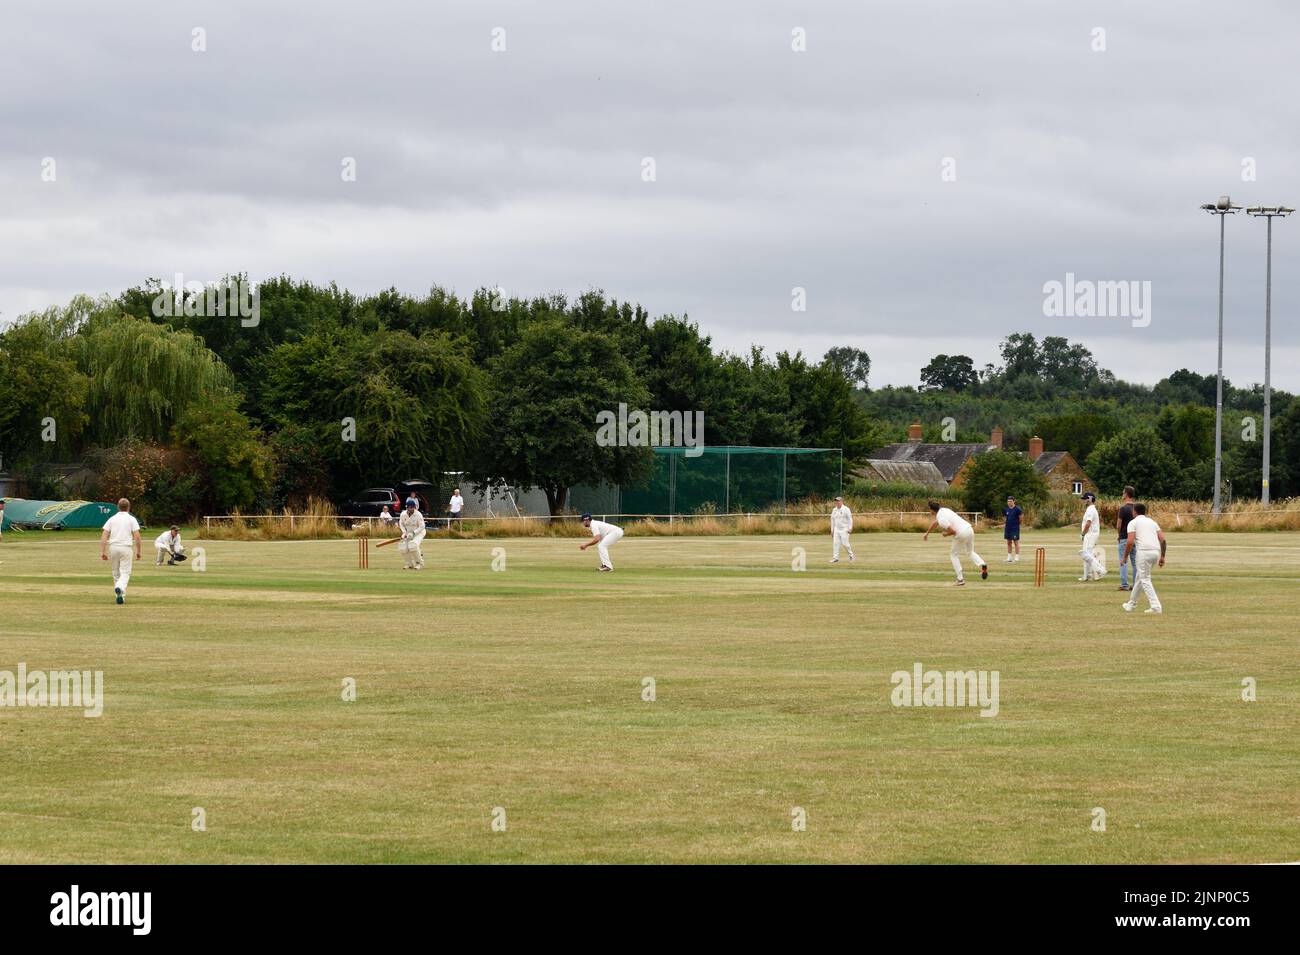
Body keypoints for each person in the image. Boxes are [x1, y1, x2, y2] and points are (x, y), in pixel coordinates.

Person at [923, 501, 987, 587]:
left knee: (953, 555)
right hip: (969, 529)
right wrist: (927, 533)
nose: (929, 511)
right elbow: (935, 523)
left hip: (961, 533)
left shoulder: (941, 519)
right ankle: (982, 564)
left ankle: (960, 579)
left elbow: (953, 531)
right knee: (970, 552)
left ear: (932, 510)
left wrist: (946, 534)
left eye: (929, 510)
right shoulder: (945, 510)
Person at [1120, 503, 1166, 614]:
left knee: (1145, 579)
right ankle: (1131, 604)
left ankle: (1156, 607)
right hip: (1155, 552)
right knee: (1140, 578)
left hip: (1143, 553)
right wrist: (1162, 556)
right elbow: (1163, 540)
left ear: (1134, 511)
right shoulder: (1152, 522)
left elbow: (1130, 541)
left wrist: (1125, 557)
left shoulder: (1133, 522)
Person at [99, 497, 142, 604]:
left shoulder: (112, 518)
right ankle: (119, 587)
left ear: (118, 507)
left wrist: (103, 551)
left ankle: (121, 597)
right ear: (129, 507)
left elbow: (104, 535)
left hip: (113, 548)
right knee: (125, 573)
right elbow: (137, 536)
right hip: (126, 548)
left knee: (116, 573)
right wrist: (139, 551)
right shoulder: (131, 519)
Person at [1115, 485, 1137, 592]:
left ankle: (1124, 584)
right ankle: (1136, 584)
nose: (1122, 494)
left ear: (1126, 494)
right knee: (1135, 562)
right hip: (1135, 539)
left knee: (1123, 561)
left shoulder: (1123, 508)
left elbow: (1118, 525)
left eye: (1123, 493)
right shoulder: (1137, 508)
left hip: (1124, 537)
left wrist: (1119, 535)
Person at [1078, 492, 1101, 581]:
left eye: (1085, 499)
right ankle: (1088, 575)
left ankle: (1099, 571)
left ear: (1090, 499)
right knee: (1088, 555)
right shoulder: (1090, 509)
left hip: (1090, 534)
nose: (1083, 500)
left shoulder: (1091, 509)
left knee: (1086, 555)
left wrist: (1083, 534)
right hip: (1091, 534)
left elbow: (1088, 523)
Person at [398, 497, 426, 570]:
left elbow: (422, 526)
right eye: (410, 508)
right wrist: (404, 532)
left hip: (419, 532)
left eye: (413, 508)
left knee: (413, 545)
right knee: (403, 546)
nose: (412, 509)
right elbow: (401, 524)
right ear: (407, 508)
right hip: (408, 533)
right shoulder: (403, 514)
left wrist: (413, 533)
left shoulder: (418, 514)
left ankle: (419, 563)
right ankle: (409, 564)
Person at [829, 495, 855, 563]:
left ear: (842, 501)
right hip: (837, 529)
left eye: (838, 501)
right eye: (836, 501)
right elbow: (832, 520)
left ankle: (852, 556)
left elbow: (850, 519)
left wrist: (850, 528)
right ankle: (835, 558)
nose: (837, 502)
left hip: (844, 529)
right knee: (835, 543)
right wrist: (832, 530)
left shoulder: (846, 509)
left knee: (845, 543)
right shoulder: (834, 510)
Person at [1002, 495, 1022, 562]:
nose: (1009, 503)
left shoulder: (1018, 509)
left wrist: (1016, 525)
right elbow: (1005, 518)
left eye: (1010, 501)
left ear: (1014, 501)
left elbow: (1021, 518)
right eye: (1008, 501)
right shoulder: (1006, 509)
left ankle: (1017, 557)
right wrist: (1006, 524)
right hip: (1008, 528)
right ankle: (1009, 557)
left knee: (1016, 542)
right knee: (1008, 542)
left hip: (1015, 528)